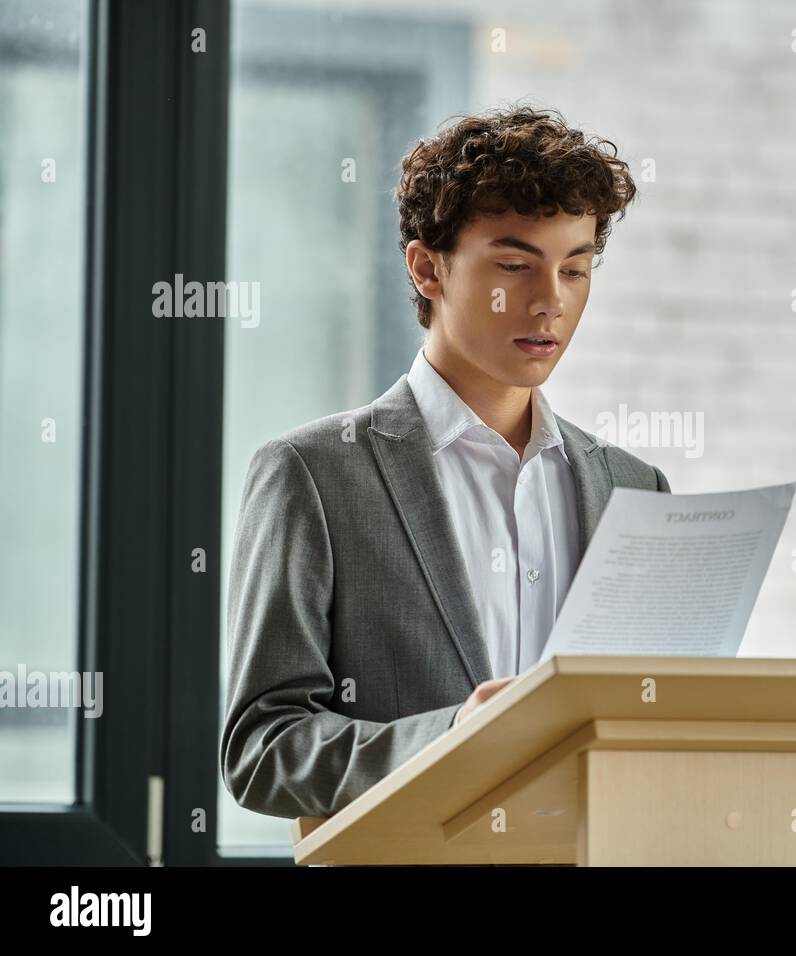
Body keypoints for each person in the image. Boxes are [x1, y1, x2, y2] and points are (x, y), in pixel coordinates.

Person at [220, 105, 670, 820]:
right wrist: (452, 738)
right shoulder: (313, 475)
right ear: (427, 268)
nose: (551, 300)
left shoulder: (633, 486)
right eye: (516, 265)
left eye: (576, 269)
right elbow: (262, 749)